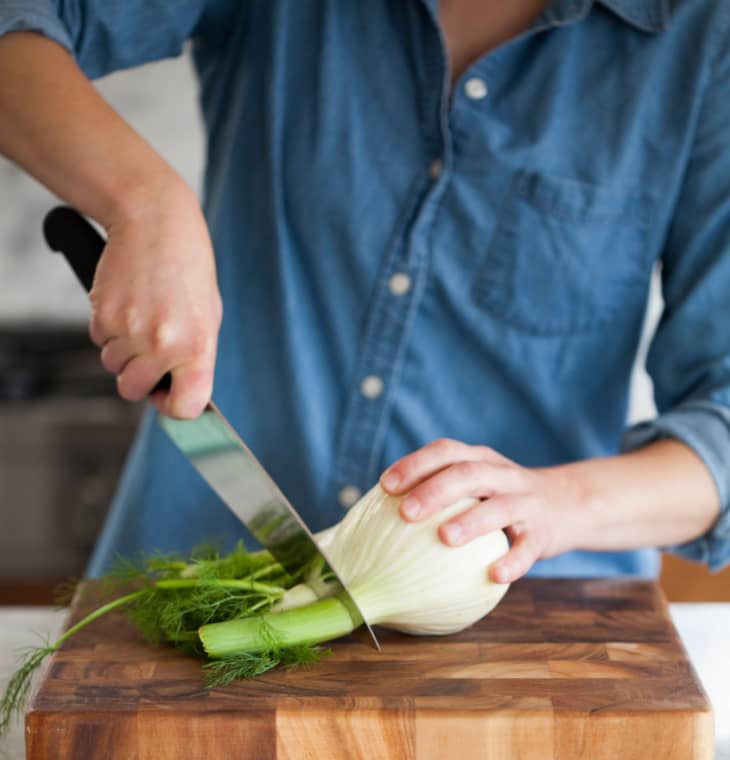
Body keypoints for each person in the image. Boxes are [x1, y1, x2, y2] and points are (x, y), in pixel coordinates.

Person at [0, 0, 728, 585]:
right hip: (195, 584)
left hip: (533, 631)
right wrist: (145, 200)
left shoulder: (703, 39)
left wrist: (557, 502)